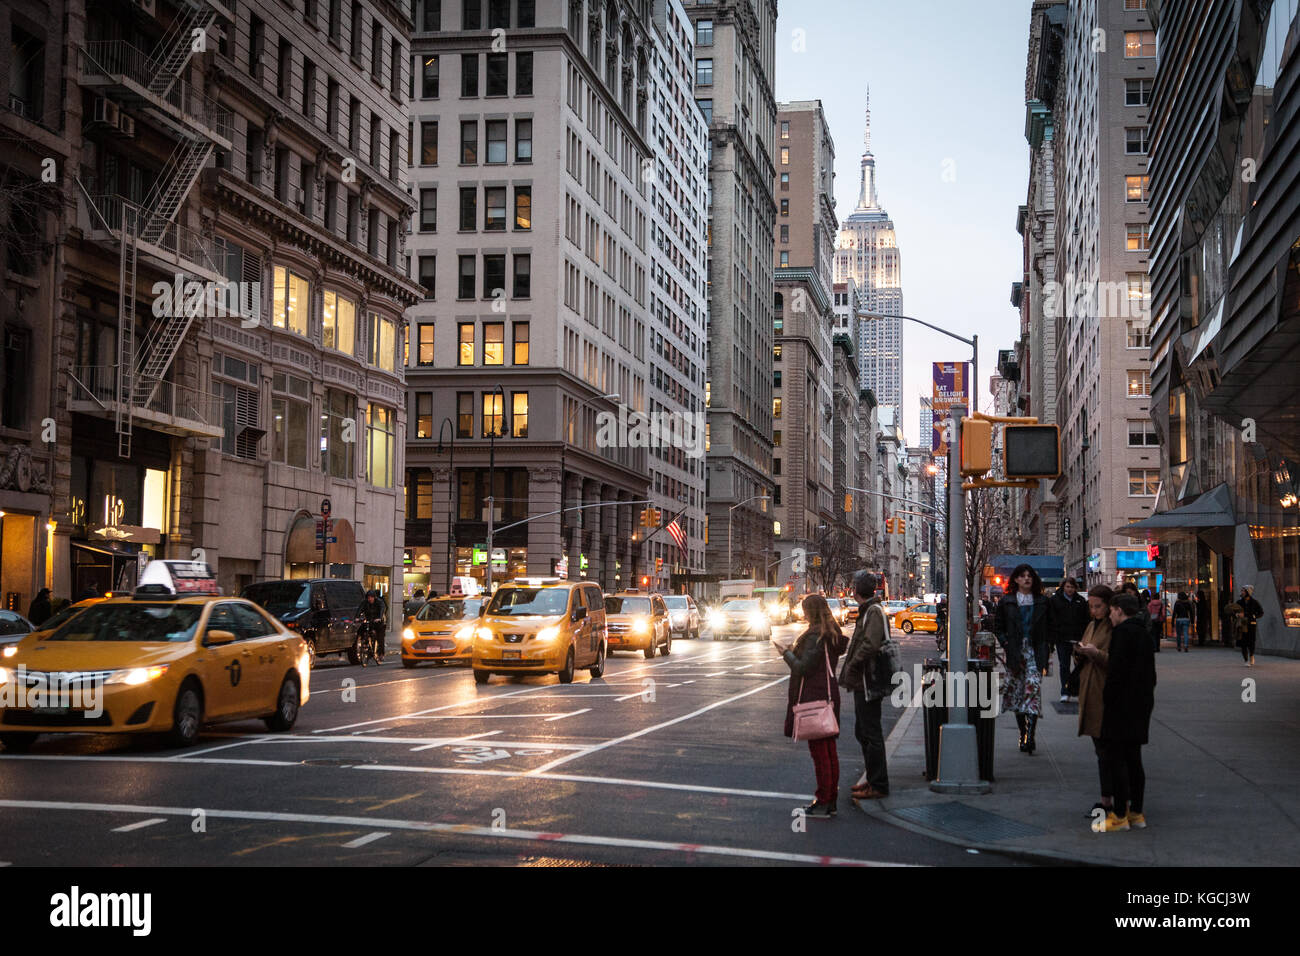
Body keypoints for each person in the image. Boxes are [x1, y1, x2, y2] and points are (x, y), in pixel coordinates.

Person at [776, 594, 848, 819]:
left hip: (814, 697)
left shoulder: (816, 636)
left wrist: (786, 653)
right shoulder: (829, 634)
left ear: (811, 612)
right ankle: (830, 798)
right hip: (827, 696)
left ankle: (824, 800)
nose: (802, 612)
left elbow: (804, 667)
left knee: (820, 753)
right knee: (829, 750)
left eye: (805, 609)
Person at [1093, 591, 1157, 832]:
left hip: (1121, 705)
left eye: (1111, 611)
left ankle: (1119, 815)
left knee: (1117, 760)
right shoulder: (1143, 633)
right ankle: (1136, 813)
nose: (1109, 615)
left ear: (1119, 610)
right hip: (1141, 703)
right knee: (1134, 760)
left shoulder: (1121, 633)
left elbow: (1116, 671)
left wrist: (1109, 698)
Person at [838, 570, 890, 800]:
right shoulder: (869, 610)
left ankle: (878, 784)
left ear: (857, 589)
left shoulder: (873, 611)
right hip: (863, 681)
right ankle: (872, 778)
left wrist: (854, 664)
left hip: (869, 680)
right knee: (863, 731)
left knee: (871, 732)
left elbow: (869, 644)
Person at [995, 563, 1052, 755]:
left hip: (1036, 652)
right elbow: (999, 626)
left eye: (1030, 575)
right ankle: (1022, 733)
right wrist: (1005, 643)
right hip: (1015, 652)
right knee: (1018, 694)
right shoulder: (1007, 601)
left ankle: (1031, 734)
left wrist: (1047, 649)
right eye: (1022, 576)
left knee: (1033, 690)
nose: (1026, 579)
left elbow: (1049, 627)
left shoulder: (1043, 602)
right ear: (1016, 579)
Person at [1073, 584, 1115, 820]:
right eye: (1091, 606)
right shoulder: (1092, 625)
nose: (1094, 610)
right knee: (1100, 749)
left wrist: (1094, 653)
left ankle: (1109, 800)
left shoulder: (1113, 628)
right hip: (1090, 688)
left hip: (1103, 691)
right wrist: (1079, 651)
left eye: (1098, 606)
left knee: (1107, 750)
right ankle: (1107, 798)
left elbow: (1115, 661)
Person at [1047, 577, 1089, 702]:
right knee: (1064, 666)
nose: (1070, 589)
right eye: (1067, 587)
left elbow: (1085, 619)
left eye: (1072, 587)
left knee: (1080, 666)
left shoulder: (1080, 601)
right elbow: (1052, 620)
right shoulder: (1055, 600)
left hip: (1078, 639)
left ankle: (1078, 689)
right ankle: (1065, 692)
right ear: (1063, 587)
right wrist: (1053, 638)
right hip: (1062, 638)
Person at [355, 589, 388, 660]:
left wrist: (379, 617)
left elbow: (383, 608)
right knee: (363, 629)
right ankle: (366, 645)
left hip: (379, 622)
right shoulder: (365, 602)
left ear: (374, 597)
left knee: (380, 638)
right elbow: (360, 609)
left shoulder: (379, 602)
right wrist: (357, 617)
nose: (369, 599)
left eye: (371, 597)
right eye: (368, 597)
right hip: (370, 620)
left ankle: (381, 653)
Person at [1240, 586, 1263, 666]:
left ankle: (1251, 655)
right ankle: (1246, 660)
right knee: (1243, 642)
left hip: (1251, 624)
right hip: (1242, 624)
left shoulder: (1254, 602)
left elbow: (1261, 612)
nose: (1241, 592)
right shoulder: (1239, 602)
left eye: (1243, 591)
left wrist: (1254, 616)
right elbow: (1233, 611)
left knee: (1251, 641)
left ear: (1248, 592)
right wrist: (1236, 614)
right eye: (1241, 590)